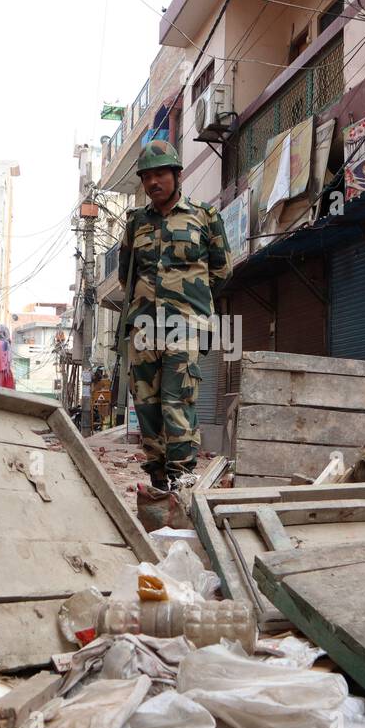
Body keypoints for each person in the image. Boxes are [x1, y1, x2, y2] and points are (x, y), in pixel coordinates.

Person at [119, 141, 232, 491]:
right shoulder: (136, 222)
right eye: (147, 177)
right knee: (147, 404)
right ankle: (157, 478)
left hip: (184, 324)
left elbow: (222, 269)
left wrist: (190, 300)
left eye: (160, 174)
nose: (153, 182)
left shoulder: (203, 215)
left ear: (177, 175)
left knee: (177, 400)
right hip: (144, 326)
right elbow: (127, 274)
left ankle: (181, 478)